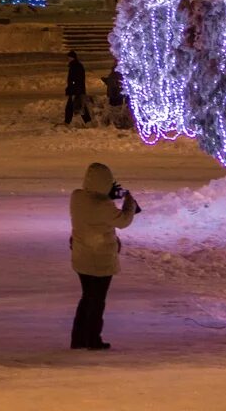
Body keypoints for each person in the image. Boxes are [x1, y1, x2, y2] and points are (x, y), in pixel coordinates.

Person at [69, 162, 137, 350]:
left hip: (81, 255)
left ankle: (79, 338)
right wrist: (129, 202)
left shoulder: (76, 197)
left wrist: (107, 197)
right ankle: (93, 339)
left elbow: (94, 209)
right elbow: (123, 221)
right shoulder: (104, 206)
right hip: (100, 259)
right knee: (97, 300)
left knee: (87, 297)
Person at [64, 50, 92, 125]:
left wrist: (73, 88)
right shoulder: (75, 66)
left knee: (75, 106)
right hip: (76, 90)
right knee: (78, 106)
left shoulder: (75, 66)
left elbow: (76, 79)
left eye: (69, 57)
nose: (68, 59)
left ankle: (68, 122)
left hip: (76, 90)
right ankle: (87, 121)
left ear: (72, 57)